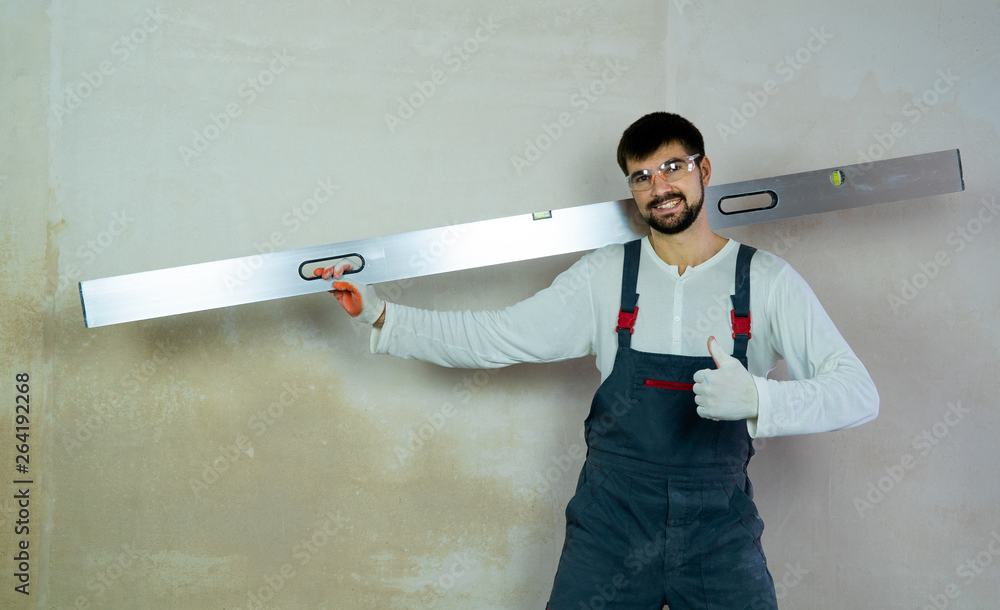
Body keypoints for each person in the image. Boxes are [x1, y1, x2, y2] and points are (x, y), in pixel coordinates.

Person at [315, 112, 879, 609]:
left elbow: (857, 393)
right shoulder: (605, 275)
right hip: (612, 526)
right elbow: (497, 336)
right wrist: (382, 316)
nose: (660, 187)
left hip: (718, 532)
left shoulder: (767, 280)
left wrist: (760, 398)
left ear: (704, 170)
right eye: (642, 176)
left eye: (673, 167)